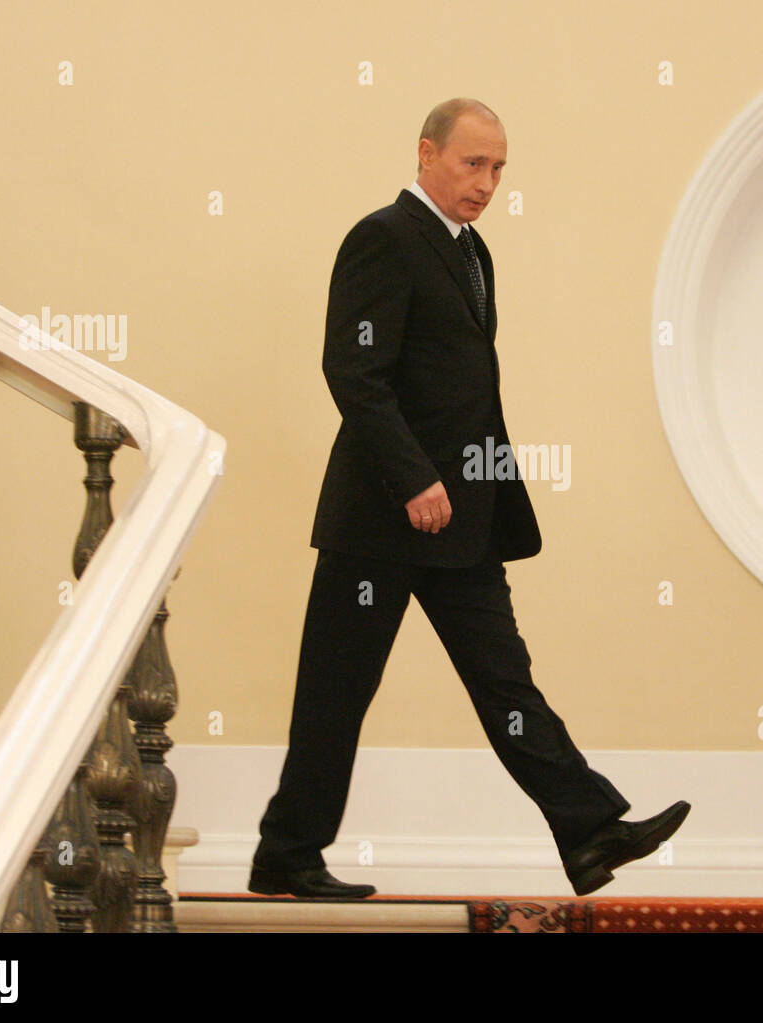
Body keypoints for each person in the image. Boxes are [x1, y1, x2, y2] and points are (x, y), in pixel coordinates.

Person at [250, 97, 689, 899]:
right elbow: (354, 371)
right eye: (472, 163)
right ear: (426, 154)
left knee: (505, 681)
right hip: (383, 516)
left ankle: (588, 832)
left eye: (498, 169)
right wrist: (414, 477)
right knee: (337, 690)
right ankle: (288, 852)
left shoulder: (474, 252)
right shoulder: (382, 238)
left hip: (466, 521)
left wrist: (472, 488)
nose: (487, 183)